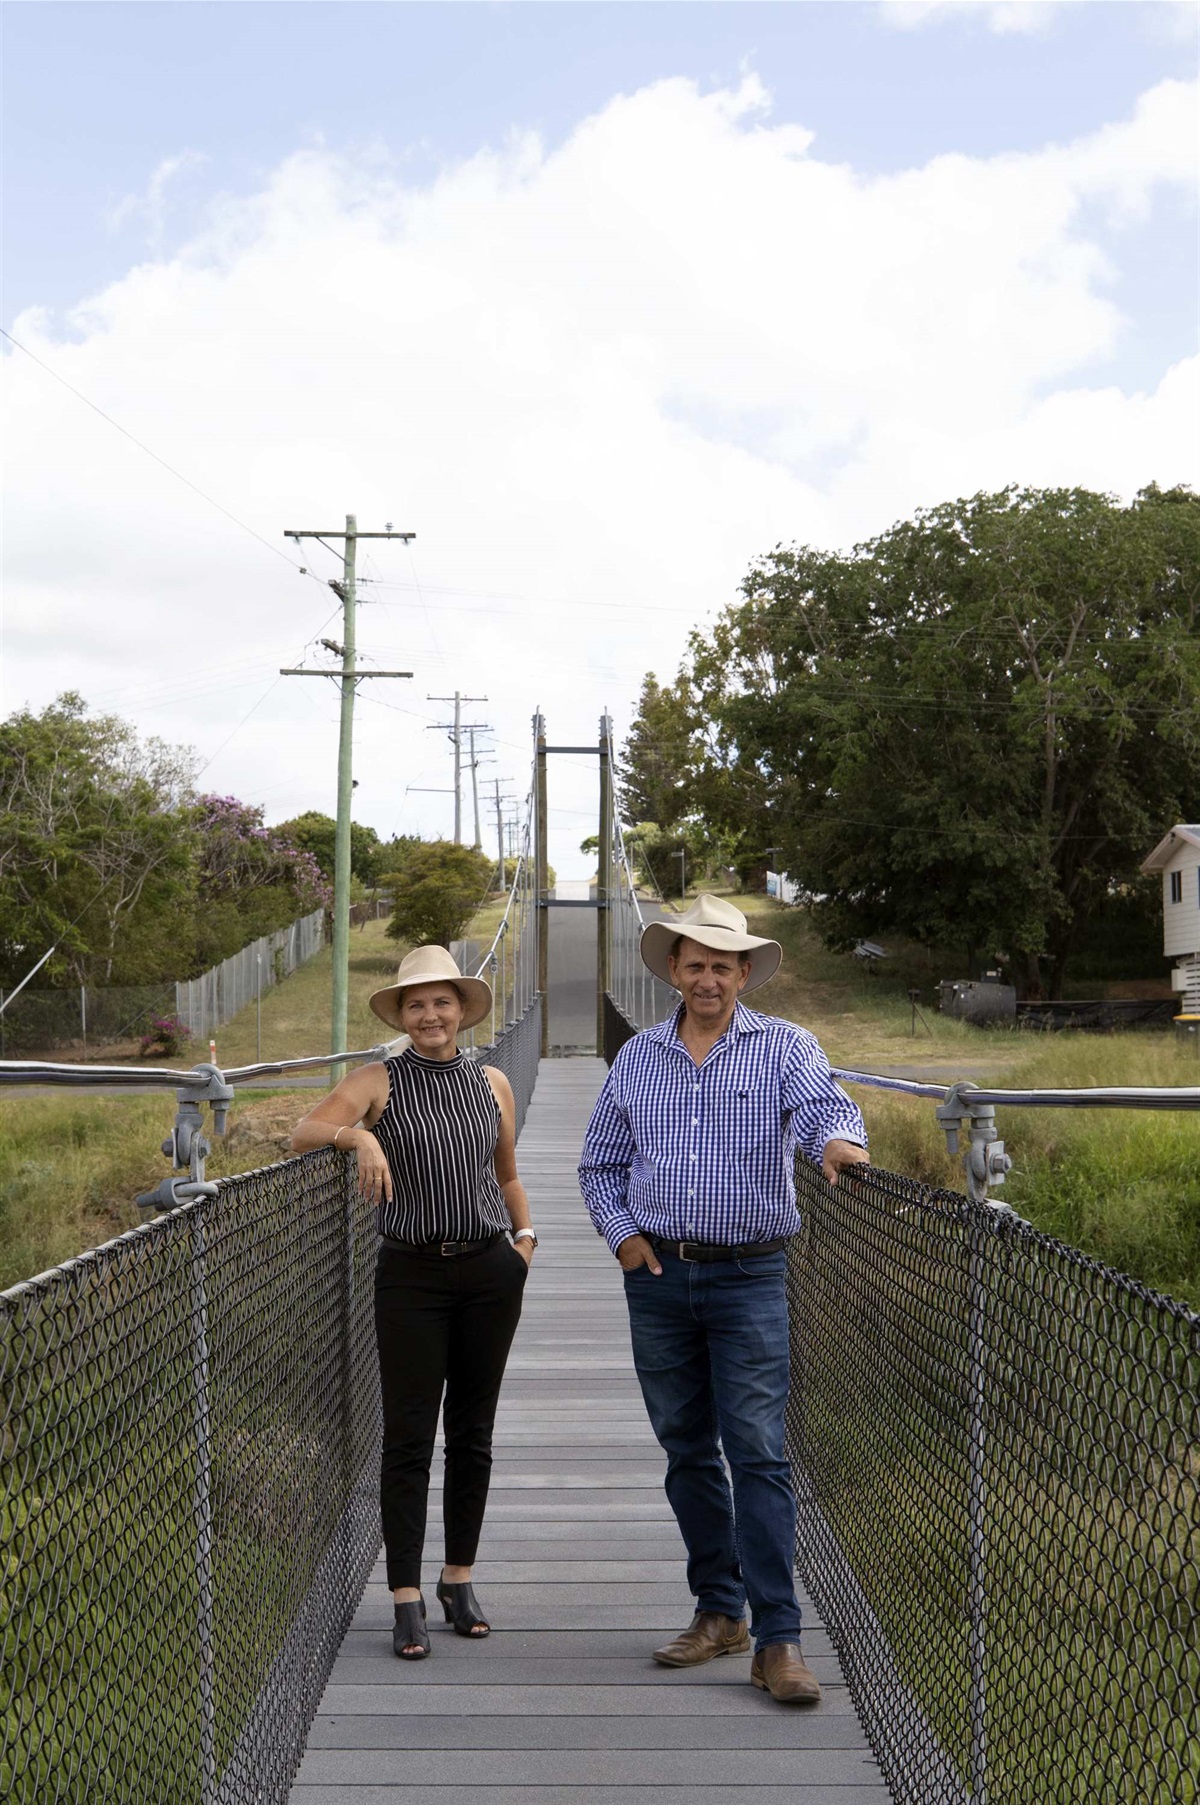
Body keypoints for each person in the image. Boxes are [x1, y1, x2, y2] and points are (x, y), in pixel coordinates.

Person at [578, 894, 868, 1705]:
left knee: (758, 1450)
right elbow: (599, 1164)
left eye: (723, 966)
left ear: (745, 973)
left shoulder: (785, 1046)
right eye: (696, 963)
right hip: (658, 1277)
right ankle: (719, 1610)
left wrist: (839, 1142)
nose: (708, 978)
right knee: (686, 1448)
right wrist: (624, 1238)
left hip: (750, 1275)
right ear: (674, 970)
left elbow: (823, 1106)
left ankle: (780, 1640)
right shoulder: (636, 1057)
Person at [291, 944, 538, 1661]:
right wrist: (359, 1138)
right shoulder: (377, 1080)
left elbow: (507, 1175)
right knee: (408, 1437)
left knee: (473, 1432)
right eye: (417, 1004)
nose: (431, 1015)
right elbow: (302, 1132)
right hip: (411, 1276)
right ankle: (405, 1595)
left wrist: (524, 1242)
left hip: (491, 1271)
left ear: (462, 1011)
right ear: (402, 1015)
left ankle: (458, 1579)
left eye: (442, 1002)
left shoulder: (493, 1082)